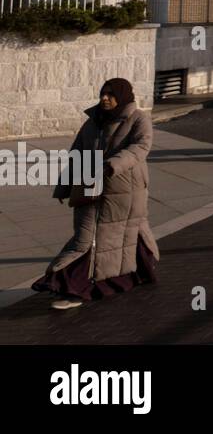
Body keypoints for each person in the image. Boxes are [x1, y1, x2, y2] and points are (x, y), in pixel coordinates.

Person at [33, 78, 159, 310]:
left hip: (125, 190)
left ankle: (78, 288)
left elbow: (140, 147)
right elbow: (76, 155)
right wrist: (65, 185)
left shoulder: (139, 118)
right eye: (103, 93)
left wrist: (113, 164)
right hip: (91, 188)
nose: (105, 98)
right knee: (91, 236)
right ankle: (85, 283)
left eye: (110, 94)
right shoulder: (92, 122)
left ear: (122, 96)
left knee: (115, 234)